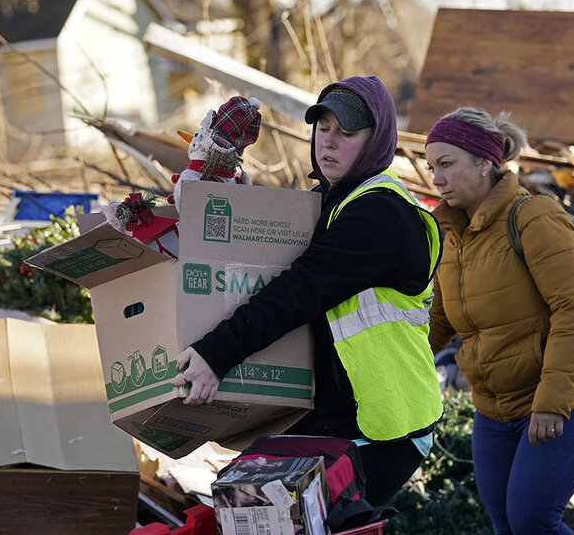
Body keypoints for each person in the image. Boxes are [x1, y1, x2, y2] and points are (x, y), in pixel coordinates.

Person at [172, 76, 444, 506]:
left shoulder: (381, 214)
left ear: (376, 141)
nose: (329, 142)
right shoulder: (326, 201)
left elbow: (299, 289)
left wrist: (216, 353)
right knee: (247, 509)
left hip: (382, 427)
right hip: (327, 416)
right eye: (323, 128)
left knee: (279, 516)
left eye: (347, 133)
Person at [424, 107, 574, 535]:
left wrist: (551, 403)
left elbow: (572, 310)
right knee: (507, 526)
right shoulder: (451, 235)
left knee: (533, 522)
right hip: (494, 408)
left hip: (564, 399)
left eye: (447, 164)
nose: (436, 179)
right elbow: (441, 319)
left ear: (484, 162)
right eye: (432, 167)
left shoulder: (533, 216)